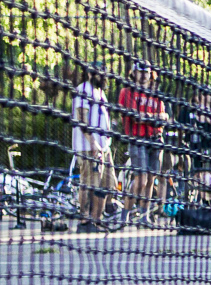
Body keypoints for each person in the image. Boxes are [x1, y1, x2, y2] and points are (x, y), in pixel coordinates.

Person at [115, 57, 167, 215]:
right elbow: (135, 117)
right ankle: (125, 214)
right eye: (140, 72)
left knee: (151, 180)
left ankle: (144, 216)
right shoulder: (127, 92)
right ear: (134, 73)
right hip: (137, 140)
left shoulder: (156, 95)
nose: (143, 75)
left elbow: (164, 118)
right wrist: (155, 118)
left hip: (156, 140)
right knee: (141, 180)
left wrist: (152, 118)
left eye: (146, 72)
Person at [69, 63, 114, 225]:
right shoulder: (84, 90)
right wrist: (93, 142)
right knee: (89, 183)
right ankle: (85, 220)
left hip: (104, 148)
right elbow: (82, 118)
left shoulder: (101, 93)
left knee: (108, 183)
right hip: (88, 147)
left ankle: (97, 218)